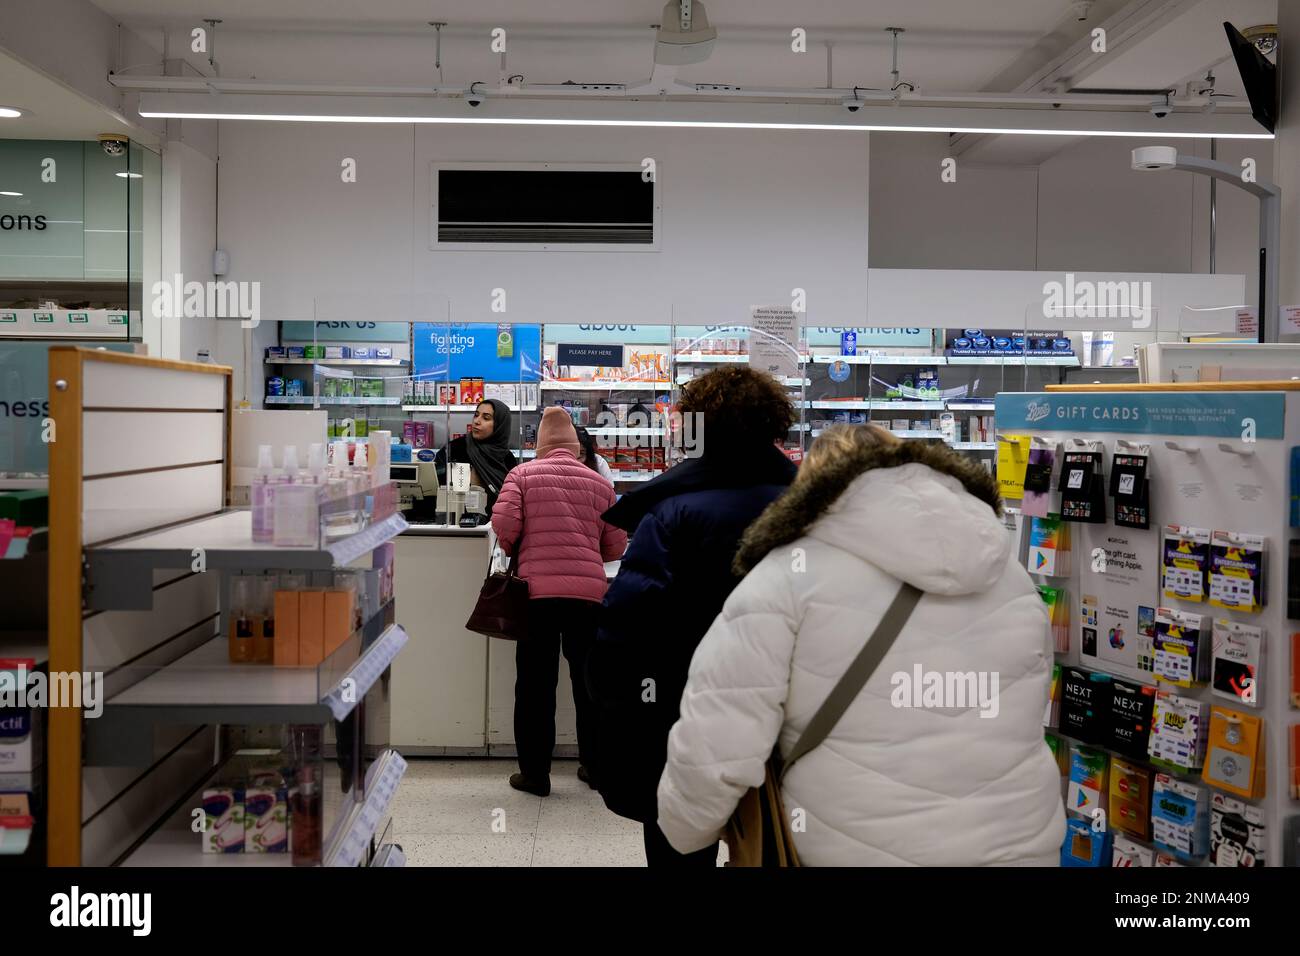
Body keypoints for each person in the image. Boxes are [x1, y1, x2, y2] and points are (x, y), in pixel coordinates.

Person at [656, 424, 1066, 866]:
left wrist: (687, 828)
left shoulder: (786, 578)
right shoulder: (1011, 576)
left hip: (852, 846)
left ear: (814, 488)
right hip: (1016, 844)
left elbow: (720, 733)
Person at [585, 365, 798, 867]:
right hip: (789, 710)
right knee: (771, 839)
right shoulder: (809, 504)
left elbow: (630, 622)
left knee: (681, 838)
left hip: (687, 704)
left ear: (701, 428)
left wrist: (609, 694)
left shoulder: (674, 510)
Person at [491, 407, 628, 797]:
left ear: (540, 445)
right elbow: (616, 546)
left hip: (535, 597)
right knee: (589, 683)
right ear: (573, 444)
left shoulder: (522, 475)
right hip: (587, 597)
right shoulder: (599, 485)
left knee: (535, 685)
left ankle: (535, 775)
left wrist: (516, 545)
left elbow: (504, 524)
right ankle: (595, 767)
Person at [433, 398, 517, 516]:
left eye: (486, 418)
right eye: (476, 415)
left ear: (500, 425)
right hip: (453, 520)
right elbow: (434, 482)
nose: (477, 421)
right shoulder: (455, 448)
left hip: (495, 524)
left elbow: (511, 500)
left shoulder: (507, 458)